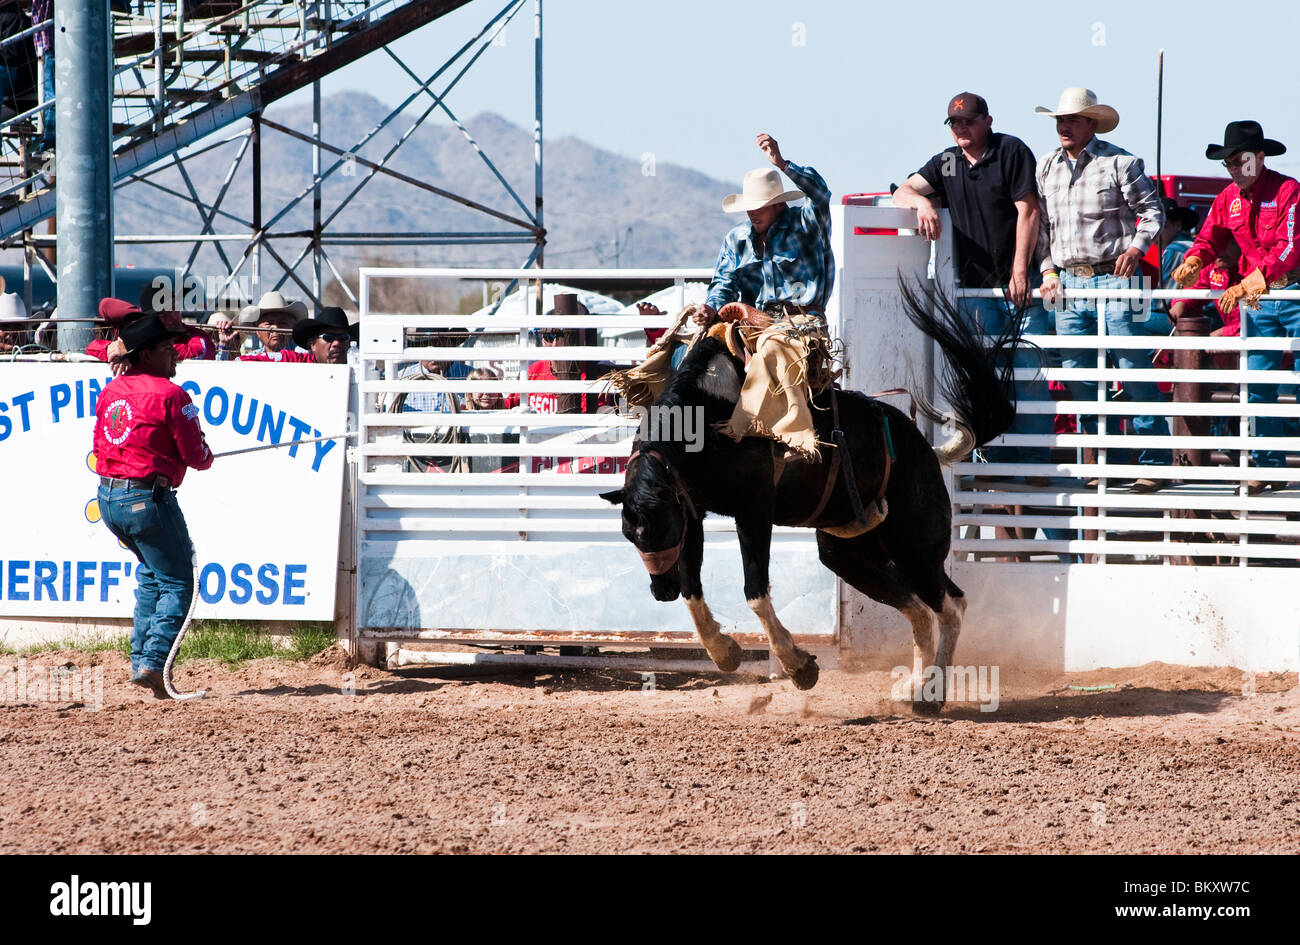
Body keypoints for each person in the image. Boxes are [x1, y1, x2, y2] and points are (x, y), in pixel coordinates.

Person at [892, 91, 1053, 470]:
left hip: (1018, 284)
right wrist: (925, 203)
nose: (961, 128)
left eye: (969, 121)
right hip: (973, 289)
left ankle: (1033, 464)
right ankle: (994, 461)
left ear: (987, 121)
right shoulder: (947, 163)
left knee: (1028, 372)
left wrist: (1019, 270)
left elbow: (1027, 211)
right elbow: (903, 191)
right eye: (955, 123)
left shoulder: (1011, 151)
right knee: (984, 377)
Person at [1034, 87, 1168, 492]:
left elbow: (1153, 211)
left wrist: (1136, 248)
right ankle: (1099, 460)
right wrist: (1047, 271)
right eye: (1060, 120)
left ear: (1091, 123)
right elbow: (1041, 229)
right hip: (1067, 282)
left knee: (1132, 367)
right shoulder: (1045, 167)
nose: (1063, 126)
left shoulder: (1120, 163)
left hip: (1117, 276)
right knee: (1079, 375)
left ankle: (1153, 463)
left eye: (1071, 119)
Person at [1172, 121, 1300, 491]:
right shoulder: (1228, 198)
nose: (1234, 169)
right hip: (1258, 300)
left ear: (1259, 158)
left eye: (1239, 161)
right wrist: (1196, 258)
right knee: (1257, 386)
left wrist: (1258, 277)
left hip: (1292, 292)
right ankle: (1269, 466)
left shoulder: (1288, 190)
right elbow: (1209, 236)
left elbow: (1291, 246)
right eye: (1228, 163)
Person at [93, 313, 213, 699]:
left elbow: (101, 446)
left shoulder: (112, 392)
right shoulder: (174, 396)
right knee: (178, 581)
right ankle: (152, 662)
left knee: (151, 576)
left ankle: (141, 663)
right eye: (167, 349)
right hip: (147, 498)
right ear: (146, 354)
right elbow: (198, 456)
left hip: (110, 498)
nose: (176, 356)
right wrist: (204, 452)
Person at [699, 133, 832, 324]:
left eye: (759, 207)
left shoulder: (806, 226)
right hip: (753, 323)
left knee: (769, 349)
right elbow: (724, 284)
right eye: (749, 207)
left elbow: (819, 195)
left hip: (801, 322)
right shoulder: (736, 239)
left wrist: (783, 165)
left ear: (779, 205)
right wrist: (711, 307)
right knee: (698, 349)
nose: (752, 213)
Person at [89, 298, 215, 371]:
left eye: (174, 310)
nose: (172, 317)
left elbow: (201, 351)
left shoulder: (194, 334)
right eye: (163, 314)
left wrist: (131, 348)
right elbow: (92, 348)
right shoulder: (144, 332)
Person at [215, 291, 307, 361]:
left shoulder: (304, 355)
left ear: (292, 327)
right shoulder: (251, 359)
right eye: (269, 324)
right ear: (258, 331)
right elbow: (221, 375)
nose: (275, 328)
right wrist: (224, 344)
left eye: (282, 323)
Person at [290, 306, 357, 364]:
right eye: (328, 337)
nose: (337, 343)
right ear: (312, 344)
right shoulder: (296, 362)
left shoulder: (361, 371)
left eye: (344, 338)